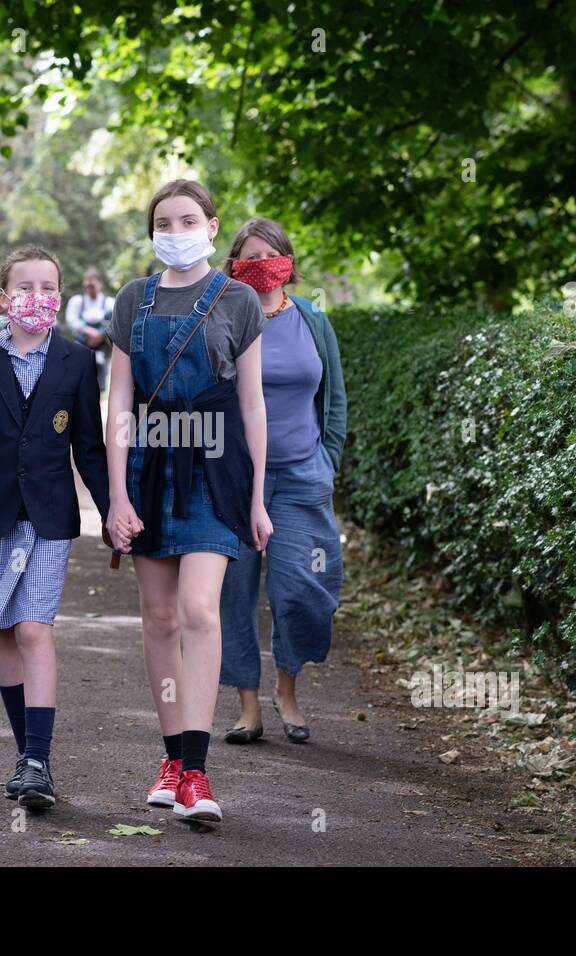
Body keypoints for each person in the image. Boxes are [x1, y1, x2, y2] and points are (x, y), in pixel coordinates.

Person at [105, 180, 272, 825]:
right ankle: (170, 760)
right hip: (148, 469)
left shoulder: (238, 301)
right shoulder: (132, 300)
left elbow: (254, 404)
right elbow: (119, 404)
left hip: (214, 472)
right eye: (163, 221)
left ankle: (198, 775)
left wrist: (257, 496)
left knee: (200, 610)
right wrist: (116, 495)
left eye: (187, 219)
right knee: (159, 619)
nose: (175, 229)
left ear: (210, 223)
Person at [0, 245, 109, 811]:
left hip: (49, 519)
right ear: (5, 297)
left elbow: (88, 447)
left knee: (35, 630)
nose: (38, 296)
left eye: (47, 286)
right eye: (26, 287)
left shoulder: (76, 363)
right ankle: (27, 758)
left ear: (60, 295)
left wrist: (113, 512)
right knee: (4, 633)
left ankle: (38, 760)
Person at [217, 218, 347, 746]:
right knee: (235, 592)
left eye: (271, 254)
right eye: (250, 255)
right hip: (236, 476)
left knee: (303, 592)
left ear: (288, 261)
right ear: (233, 265)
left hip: (301, 477)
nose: (262, 263)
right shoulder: (224, 317)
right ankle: (248, 704)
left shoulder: (313, 320)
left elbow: (334, 399)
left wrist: (327, 462)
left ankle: (286, 687)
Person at [65, 267, 115, 389]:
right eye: (86, 284)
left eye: (92, 284)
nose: (89, 287)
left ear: (100, 284)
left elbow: (115, 322)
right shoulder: (77, 301)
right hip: (82, 343)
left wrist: (101, 334)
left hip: (102, 346)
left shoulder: (109, 303)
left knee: (99, 382)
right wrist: (88, 331)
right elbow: (71, 320)